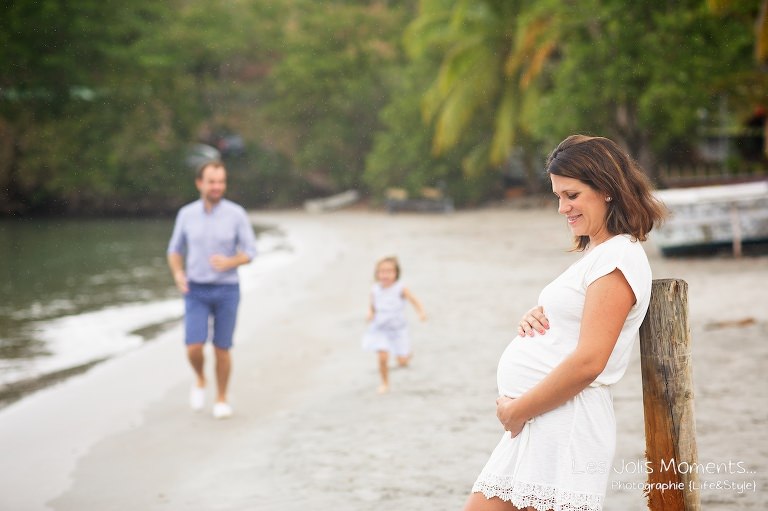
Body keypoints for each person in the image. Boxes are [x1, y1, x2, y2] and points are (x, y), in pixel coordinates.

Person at [464, 135, 667, 511]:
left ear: (606, 189)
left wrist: (518, 409)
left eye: (571, 195)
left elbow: (591, 361)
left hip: (563, 421)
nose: (562, 208)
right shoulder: (599, 254)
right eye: (558, 196)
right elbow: (577, 323)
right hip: (544, 419)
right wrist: (539, 315)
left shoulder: (617, 258)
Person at [167, 161, 257, 419]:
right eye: (212, 182)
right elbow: (174, 249)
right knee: (194, 347)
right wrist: (177, 273)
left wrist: (230, 261)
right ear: (200, 183)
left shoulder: (236, 214)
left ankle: (221, 397)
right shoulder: (186, 214)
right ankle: (199, 379)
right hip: (195, 289)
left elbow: (251, 251)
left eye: (221, 182)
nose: (217, 187)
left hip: (227, 289)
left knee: (221, 348)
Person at [363, 256, 427, 394]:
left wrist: (421, 312)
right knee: (382, 356)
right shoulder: (375, 289)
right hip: (380, 328)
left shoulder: (400, 288)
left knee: (402, 361)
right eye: (382, 271)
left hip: (398, 329)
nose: (385, 275)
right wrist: (369, 313)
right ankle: (385, 383)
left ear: (396, 273)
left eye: (389, 271)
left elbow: (414, 301)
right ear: (377, 274)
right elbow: (372, 305)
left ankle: (406, 355)